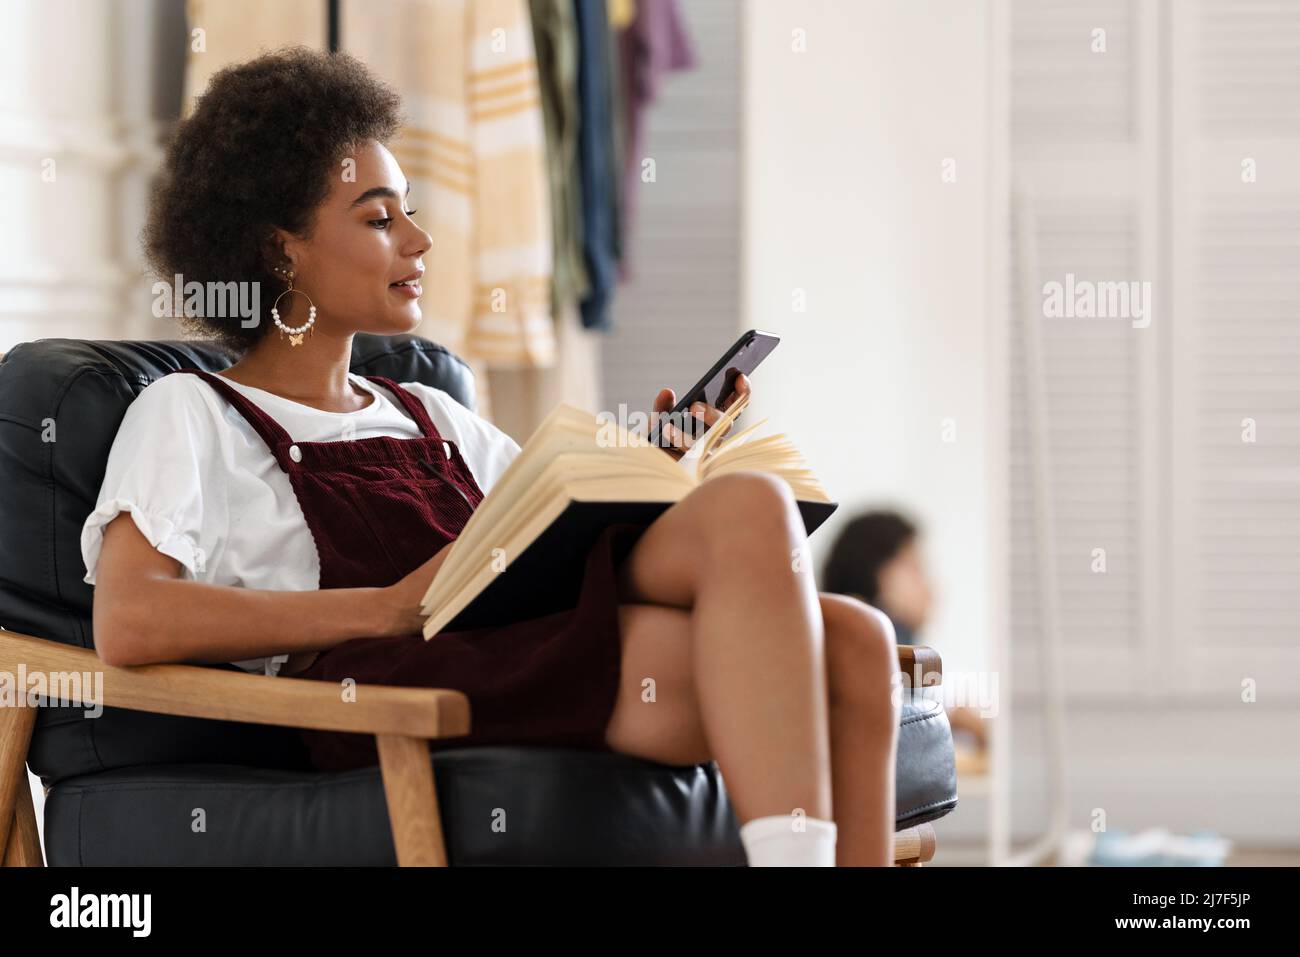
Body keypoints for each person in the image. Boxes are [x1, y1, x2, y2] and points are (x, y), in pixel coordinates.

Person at [80, 47, 901, 866]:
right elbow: (131, 619)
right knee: (733, 620)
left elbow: (554, 550)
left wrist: (653, 473)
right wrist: (385, 606)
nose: (420, 239)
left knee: (843, 620)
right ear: (281, 250)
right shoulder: (191, 411)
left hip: (512, 640)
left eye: (408, 211)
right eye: (378, 218)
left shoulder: (435, 413)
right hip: (377, 687)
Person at [822, 511, 987, 753]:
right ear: (875, 573)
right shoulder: (864, 652)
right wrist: (957, 716)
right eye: (916, 568)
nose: (930, 587)